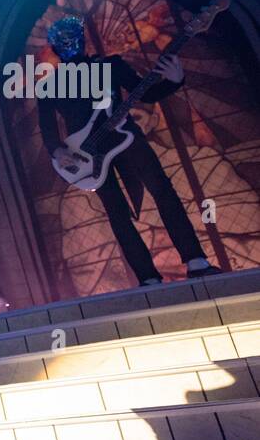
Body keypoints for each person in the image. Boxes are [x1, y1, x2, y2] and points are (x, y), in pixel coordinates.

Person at [40, 15, 220, 285]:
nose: (69, 43)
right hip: (87, 154)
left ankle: (195, 261)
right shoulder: (49, 86)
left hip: (124, 136)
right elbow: (48, 130)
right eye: (62, 39)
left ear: (82, 38)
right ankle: (148, 277)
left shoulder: (110, 65)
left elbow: (144, 93)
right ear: (54, 46)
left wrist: (173, 81)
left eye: (72, 36)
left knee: (162, 191)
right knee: (117, 211)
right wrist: (58, 152)